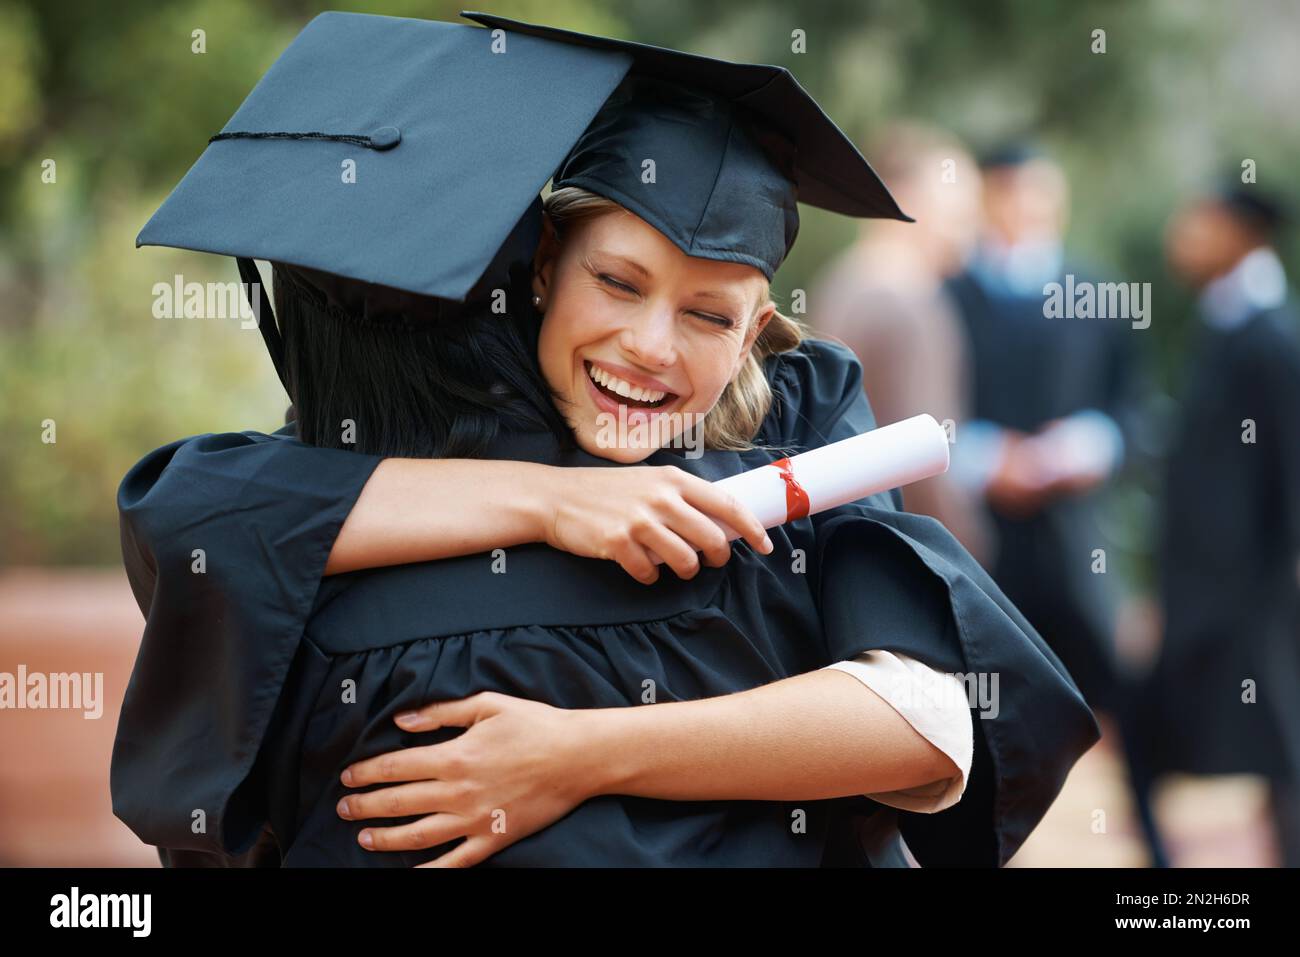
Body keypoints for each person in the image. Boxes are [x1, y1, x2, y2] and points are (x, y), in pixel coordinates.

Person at [111, 11, 1099, 867]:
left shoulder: (799, 422)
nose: (647, 347)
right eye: (617, 283)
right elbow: (203, 512)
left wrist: (574, 754)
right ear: (544, 265)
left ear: (758, 331)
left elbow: (927, 726)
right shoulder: (428, 437)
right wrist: (559, 500)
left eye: (710, 316)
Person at [1137, 183, 1300, 866]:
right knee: (1156, 741)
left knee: (1281, 749)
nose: (1182, 236)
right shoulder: (1225, 326)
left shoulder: (1271, 337)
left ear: (1241, 233)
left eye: (1198, 222)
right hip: (1205, 592)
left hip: (1250, 597)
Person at [809, 122, 991, 561]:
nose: (969, 229)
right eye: (958, 209)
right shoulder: (907, 298)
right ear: (904, 195)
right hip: (905, 547)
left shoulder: (841, 280)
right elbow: (926, 452)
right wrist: (968, 554)